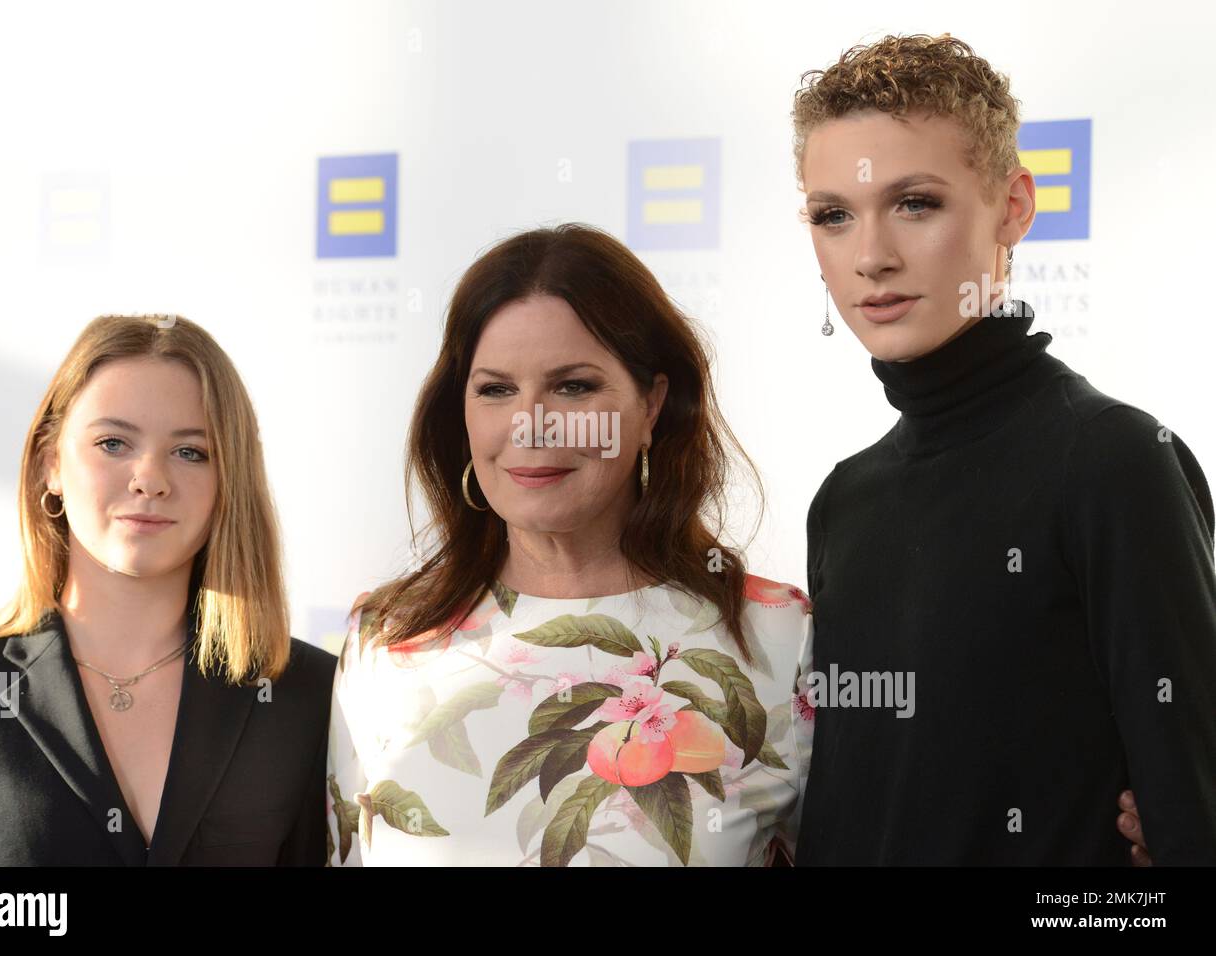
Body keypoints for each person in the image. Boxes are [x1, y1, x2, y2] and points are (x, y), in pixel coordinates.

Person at [790, 33, 1216, 864]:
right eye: (834, 215)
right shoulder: (845, 499)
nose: (871, 257)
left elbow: (1190, 819)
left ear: (1014, 207)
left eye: (916, 203)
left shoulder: (1114, 461)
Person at [326, 224, 813, 866]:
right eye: (496, 389)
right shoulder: (385, 642)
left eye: (574, 387)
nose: (530, 423)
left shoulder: (777, 639)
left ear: (651, 405)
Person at [0, 314, 335, 865]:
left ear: (228, 479)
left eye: (191, 452)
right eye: (113, 443)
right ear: (51, 464)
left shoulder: (310, 696)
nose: (149, 478)